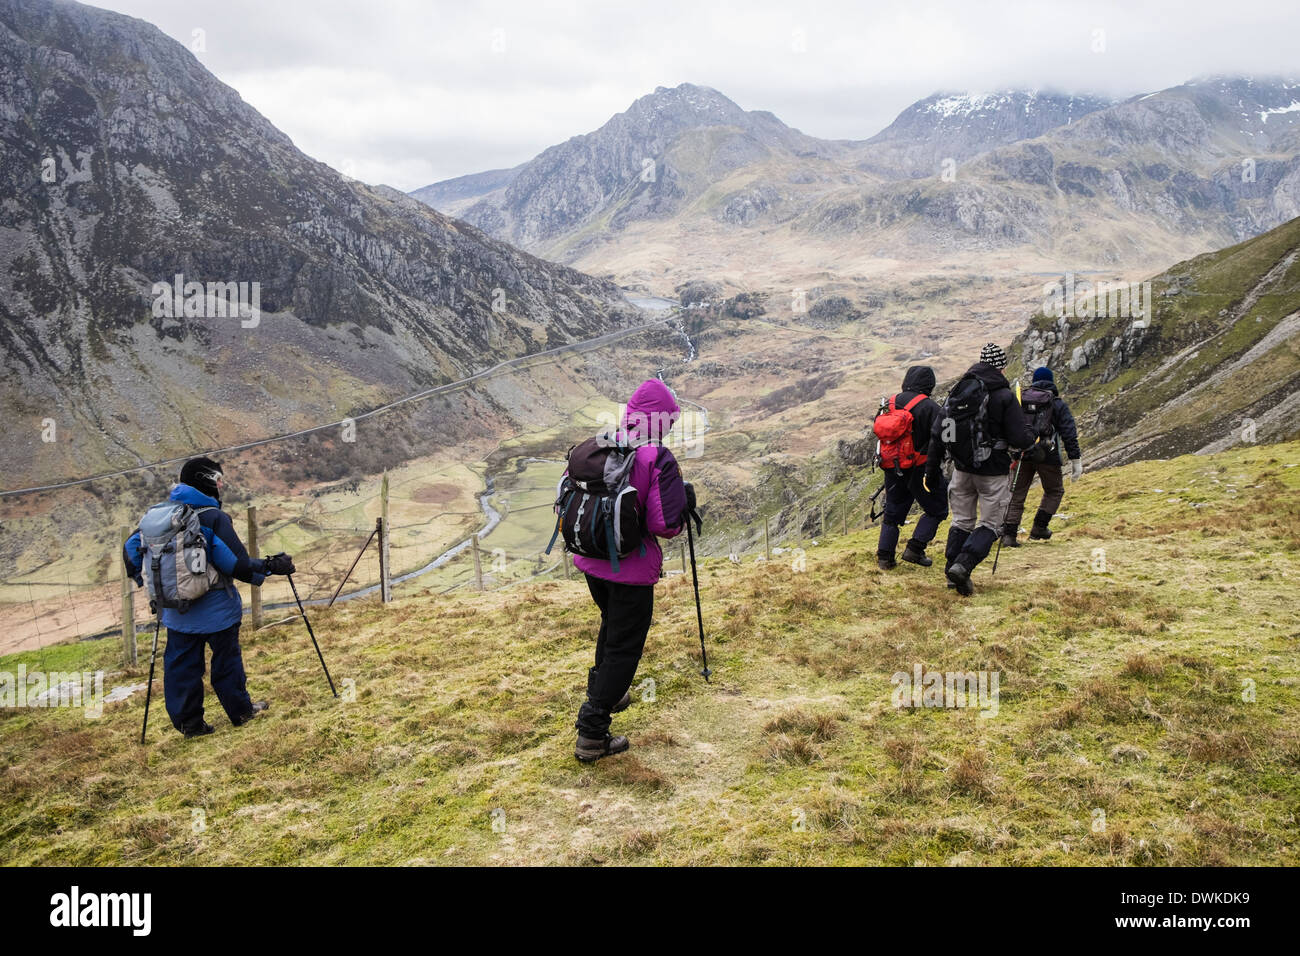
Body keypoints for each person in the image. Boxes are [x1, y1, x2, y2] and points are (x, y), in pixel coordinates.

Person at [123, 457, 295, 738]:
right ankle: (241, 712)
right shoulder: (213, 517)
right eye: (218, 478)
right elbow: (235, 565)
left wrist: (151, 584)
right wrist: (268, 567)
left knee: (181, 668)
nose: (222, 484)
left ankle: (190, 725)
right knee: (226, 662)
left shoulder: (160, 516)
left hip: (176, 612)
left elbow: (130, 549)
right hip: (217, 610)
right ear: (205, 480)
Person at [571, 379, 691, 763]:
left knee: (611, 626)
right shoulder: (656, 457)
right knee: (625, 646)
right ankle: (592, 732)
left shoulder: (604, 442)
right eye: (670, 420)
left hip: (592, 561)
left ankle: (607, 689)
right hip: (631, 570)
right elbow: (664, 526)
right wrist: (684, 502)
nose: (671, 428)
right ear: (662, 420)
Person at [925, 343, 1036, 597]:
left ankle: (952, 573)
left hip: (961, 470)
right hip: (993, 473)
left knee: (962, 520)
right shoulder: (1004, 396)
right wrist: (1033, 437)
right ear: (1002, 367)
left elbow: (940, 432)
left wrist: (931, 470)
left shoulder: (959, 392)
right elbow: (1020, 438)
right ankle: (962, 566)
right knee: (990, 524)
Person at [875, 366, 948, 570]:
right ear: (929, 384)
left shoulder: (889, 403)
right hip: (921, 468)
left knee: (893, 513)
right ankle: (915, 549)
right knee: (938, 509)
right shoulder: (930, 407)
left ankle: (885, 558)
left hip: (892, 466)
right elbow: (947, 437)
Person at [1001, 367, 1083, 547]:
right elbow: (1069, 432)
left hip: (1022, 453)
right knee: (1054, 491)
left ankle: (1008, 535)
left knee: (1016, 494)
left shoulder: (1019, 399)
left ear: (1035, 380)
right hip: (1048, 454)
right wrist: (1075, 459)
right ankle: (1039, 527)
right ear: (1051, 381)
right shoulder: (1056, 403)